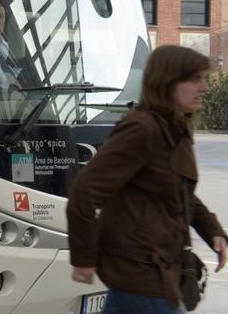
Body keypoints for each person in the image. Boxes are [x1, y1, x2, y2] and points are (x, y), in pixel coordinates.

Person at [68, 45, 228, 313]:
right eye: (195, 79)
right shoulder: (142, 129)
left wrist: (212, 230)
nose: (205, 87)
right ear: (168, 82)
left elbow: (179, 191)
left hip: (156, 270)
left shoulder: (174, 128)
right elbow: (84, 193)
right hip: (141, 272)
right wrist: (83, 258)